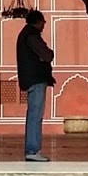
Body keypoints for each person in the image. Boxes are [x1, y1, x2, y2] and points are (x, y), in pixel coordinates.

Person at [16, 9, 55, 162]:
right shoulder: (31, 36)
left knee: (34, 113)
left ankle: (32, 149)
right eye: (43, 21)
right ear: (37, 22)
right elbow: (47, 55)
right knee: (35, 115)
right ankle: (32, 149)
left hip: (31, 78)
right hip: (36, 78)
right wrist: (48, 54)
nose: (44, 24)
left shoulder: (26, 34)